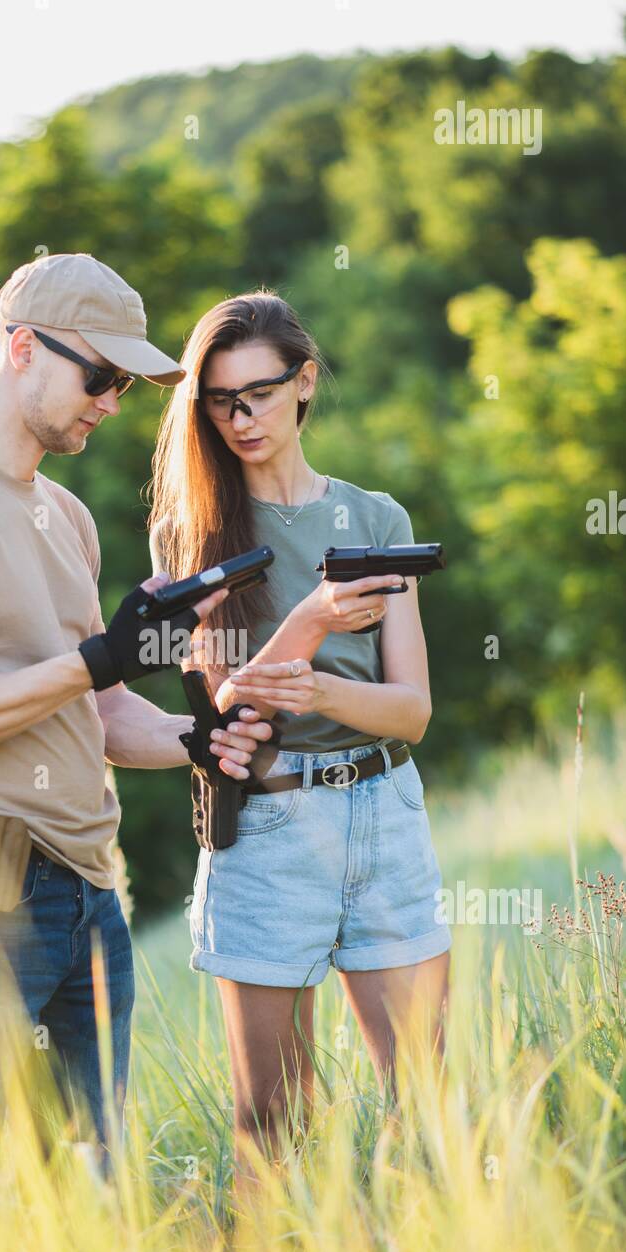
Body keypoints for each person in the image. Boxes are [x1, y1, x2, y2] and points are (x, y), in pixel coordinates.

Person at [0, 253, 274, 1165]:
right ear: (22, 349)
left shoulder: (67, 516)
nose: (112, 402)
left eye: (125, 383)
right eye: (102, 375)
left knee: (92, 1187)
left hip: (88, 890)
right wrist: (96, 658)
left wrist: (199, 736)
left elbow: (105, 717)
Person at [148, 291, 451, 1178]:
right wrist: (315, 620)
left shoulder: (377, 521)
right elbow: (230, 715)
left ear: (305, 382)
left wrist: (315, 684)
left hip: (384, 812)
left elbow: (412, 711)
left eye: (260, 394)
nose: (241, 419)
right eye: (219, 401)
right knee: (272, 1123)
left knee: (423, 1101)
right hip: (269, 827)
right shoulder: (190, 534)